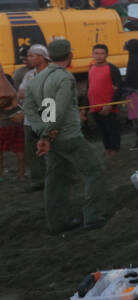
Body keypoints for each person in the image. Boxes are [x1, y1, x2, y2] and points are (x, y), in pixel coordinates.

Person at [22, 39, 109, 232]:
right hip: (67, 135)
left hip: (50, 137)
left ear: (50, 56)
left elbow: (28, 109)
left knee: (55, 179)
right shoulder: (65, 77)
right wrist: (47, 133)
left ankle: (57, 222)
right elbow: (59, 109)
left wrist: (41, 132)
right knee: (94, 171)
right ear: (70, 55)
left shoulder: (35, 78)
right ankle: (93, 217)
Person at [86, 44, 123, 156]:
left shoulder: (112, 68)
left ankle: (115, 150)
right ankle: (107, 149)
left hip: (108, 107)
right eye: (96, 53)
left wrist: (110, 105)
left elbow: (119, 88)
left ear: (106, 54)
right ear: (92, 54)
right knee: (102, 130)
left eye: (102, 53)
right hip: (94, 106)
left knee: (112, 129)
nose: (99, 56)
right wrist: (84, 108)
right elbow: (89, 88)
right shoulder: (91, 67)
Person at [16, 48, 45, 191]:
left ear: (42, 57)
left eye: (31, 56)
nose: (27, 59)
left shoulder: (52, 74)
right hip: (30, 119)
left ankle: (60, 177)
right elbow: (21, 93)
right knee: (32, 150)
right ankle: (38, 180)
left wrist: (30, 93)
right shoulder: (28, 75)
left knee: (54, 148)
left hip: (47, 118)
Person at [0, 70, 23, 178]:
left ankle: (1, 175)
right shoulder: (13, 93)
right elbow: (19, 111)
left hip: (2, 127)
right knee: (19, 150)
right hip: (16, 126)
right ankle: (21, 174)